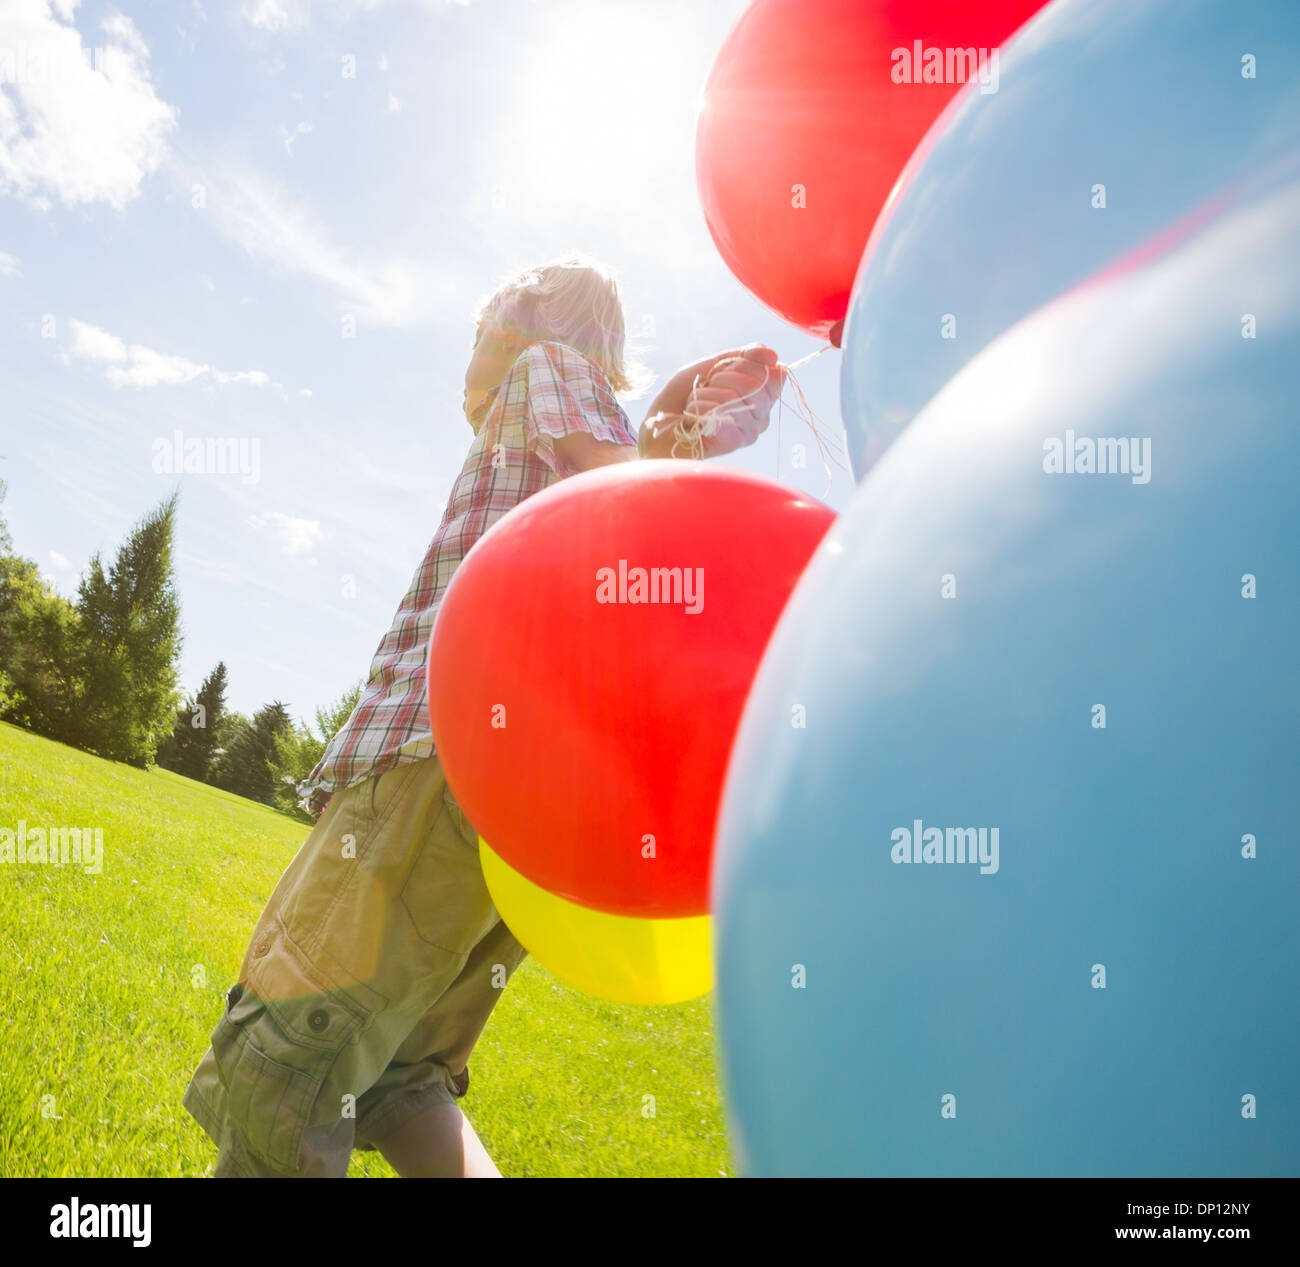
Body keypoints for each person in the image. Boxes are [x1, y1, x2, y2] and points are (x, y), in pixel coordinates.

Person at [181, 255, 785, 1178]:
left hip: (438, 754)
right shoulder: (590, 410)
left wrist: (683, 433)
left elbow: (617, 485)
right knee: (402, 1077)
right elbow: (630, 497)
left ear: (528, 317)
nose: (472, 347)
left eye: (480, 323)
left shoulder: (546, 367)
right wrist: (682, 417)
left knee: (290, 1059)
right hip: (525, 810)